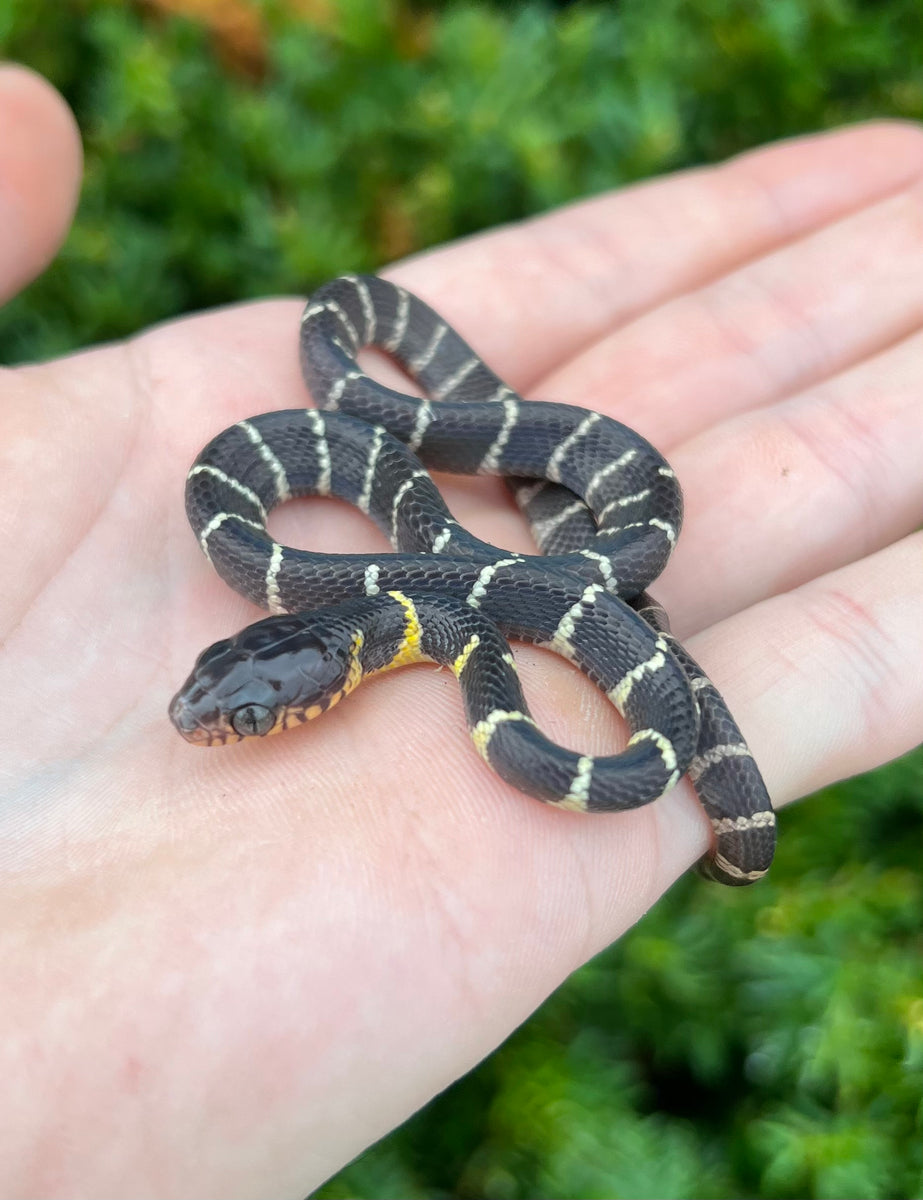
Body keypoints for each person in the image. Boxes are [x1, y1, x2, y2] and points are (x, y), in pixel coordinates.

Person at [0, 62, 919, 1197]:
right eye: (236, 706)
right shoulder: (354, 583)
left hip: (531, 561)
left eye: (243, 715)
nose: (211, 721)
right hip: (480, 576)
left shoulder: (431, 629)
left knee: (578, 564)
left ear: (324, 685)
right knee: (540, 569)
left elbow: (507, 615)